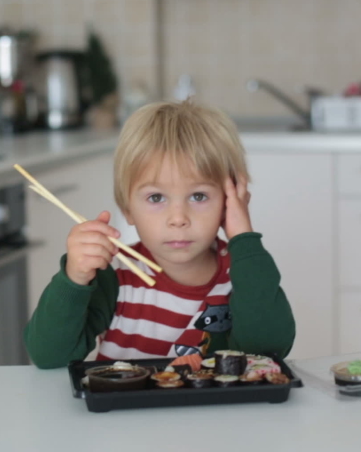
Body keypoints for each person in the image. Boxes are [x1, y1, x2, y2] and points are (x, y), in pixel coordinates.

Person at [24, 100, 295, 369]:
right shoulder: (114, 276)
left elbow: (267, 354)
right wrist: (75, 278)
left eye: (198, 195)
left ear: (229, 201)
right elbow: (49, 356)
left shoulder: (244, 274)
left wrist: (243, 238)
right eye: (156, 197)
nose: (178, 218)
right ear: (127, 208)